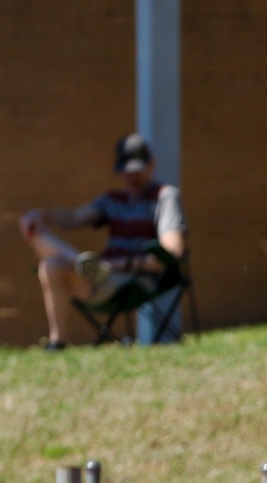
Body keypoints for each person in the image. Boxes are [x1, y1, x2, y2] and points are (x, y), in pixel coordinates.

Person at [18, 133, 187, 349]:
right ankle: (58, 340)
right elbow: (72, 218)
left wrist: (118, 264)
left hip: (132, 279)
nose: (132, 177)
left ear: (151, 165)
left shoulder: (165, 197)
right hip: (100, 278)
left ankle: (85, 265)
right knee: (49, 262)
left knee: (56, 265)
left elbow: (172, 252)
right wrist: (41, 215)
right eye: (126, 171)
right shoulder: (111, 200)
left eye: (137, 170)